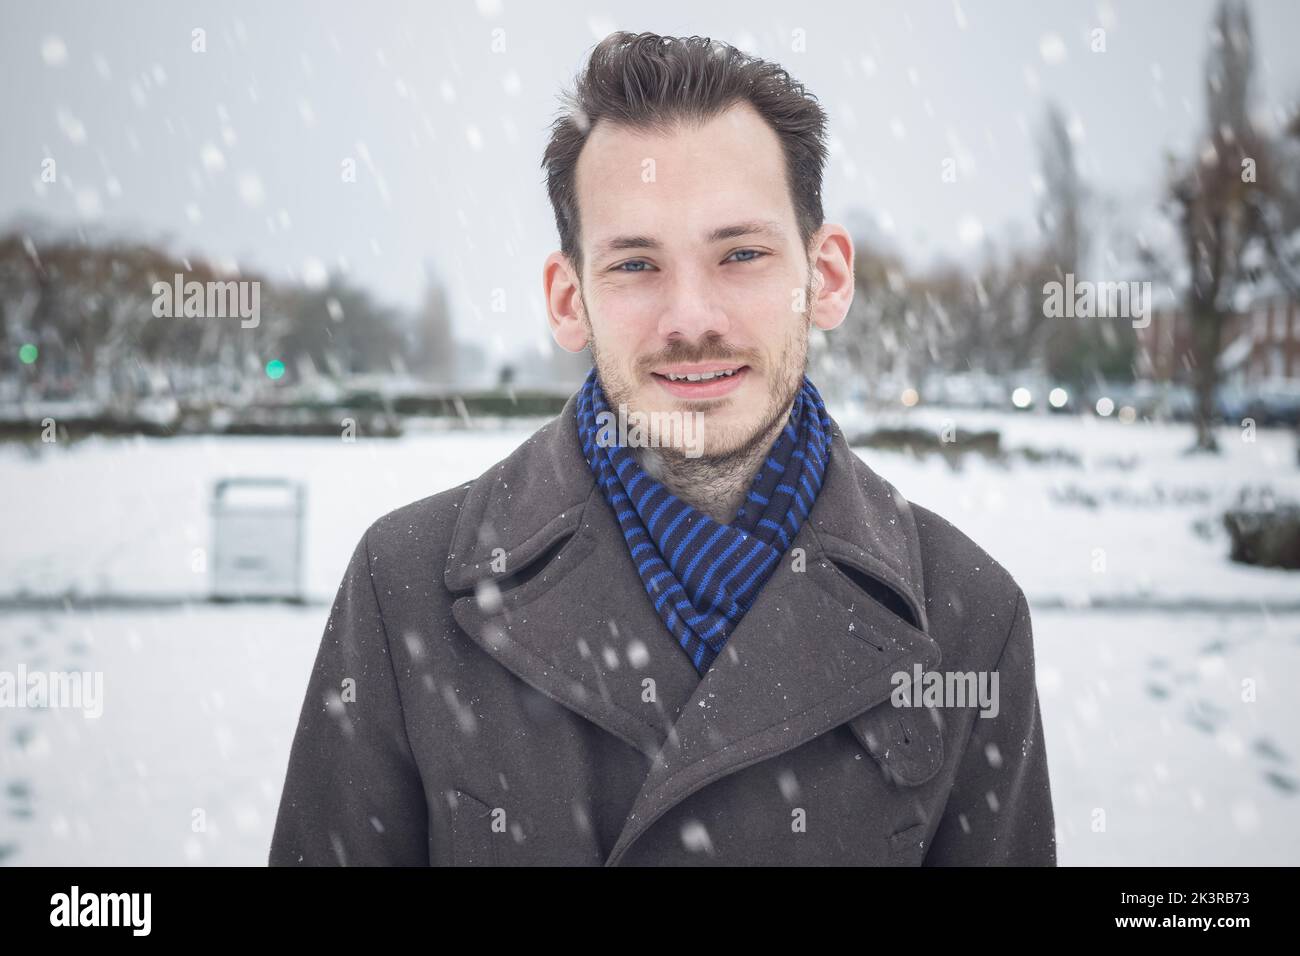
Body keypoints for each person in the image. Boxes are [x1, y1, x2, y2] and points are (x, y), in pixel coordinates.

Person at [269, 30, 1056, 866]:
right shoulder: (406, 590)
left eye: (741, 254)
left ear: (824, 278)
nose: (691, 318)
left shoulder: (969, 614)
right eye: (637, 264)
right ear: (569, 299)